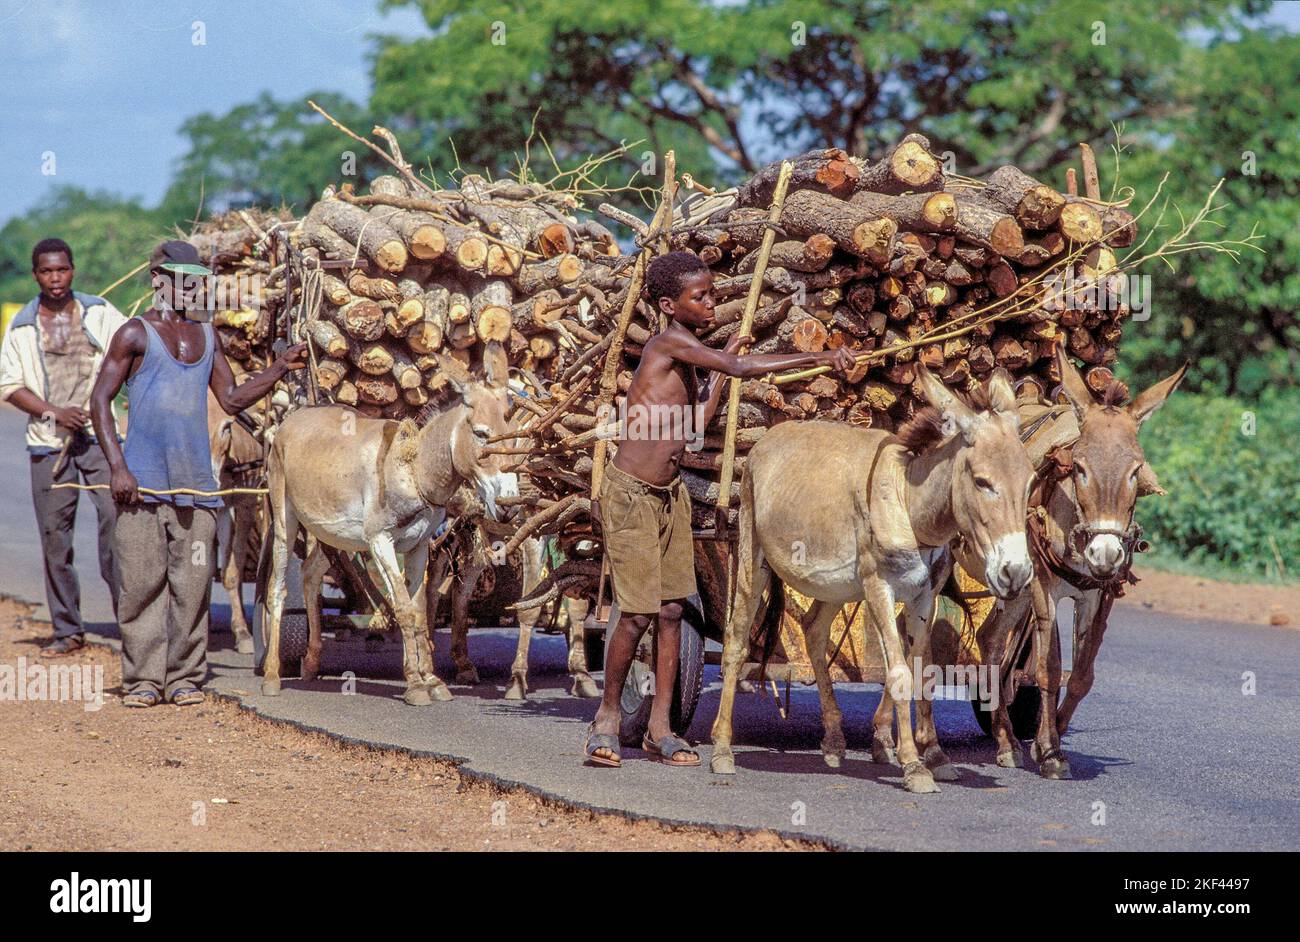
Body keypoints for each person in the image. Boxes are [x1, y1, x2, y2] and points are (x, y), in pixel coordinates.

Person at [584, 250, 855, 768]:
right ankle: (607, 718)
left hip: (670, 496)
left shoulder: (687, 356)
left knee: (670, 611)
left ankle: (661, 728)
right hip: (631, 496)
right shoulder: (669, 343)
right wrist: (822, 357)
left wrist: (722, 372)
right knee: (638, 612)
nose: (711, 303)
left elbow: (695, 422)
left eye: (712, 293)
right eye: (700, 297)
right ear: (669, 304)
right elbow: (740, 366)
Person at [89, 240, 307, 708]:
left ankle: (184, 676)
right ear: (159, 282)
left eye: (198, 281)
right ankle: (144, 680)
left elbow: (231, 399)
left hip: (198, 490)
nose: (193, 289)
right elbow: (99, 401)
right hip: (141, 489)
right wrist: (118, 466)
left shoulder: (207, 338)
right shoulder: (134, 334)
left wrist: (279, 369)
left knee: (191, 588)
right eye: (183, 280)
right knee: (142, 587)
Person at [0, 238, 127, 656]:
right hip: (48, 445)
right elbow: (10, 386)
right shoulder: (21, 325)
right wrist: (55, 413)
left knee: (116, 528)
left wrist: (98, 405)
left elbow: (130, 354)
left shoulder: (100, 313)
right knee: (56, 540)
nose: (55, 279)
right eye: (46, 271)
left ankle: (130, 623)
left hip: (100, 440)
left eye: (62, 270)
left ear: (73, 270)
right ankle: (67, 630)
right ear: (36, 274)